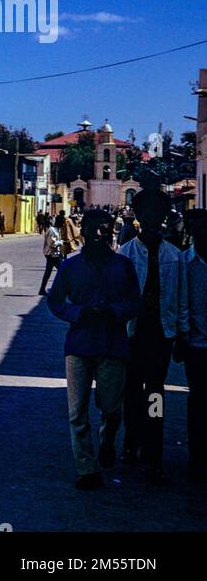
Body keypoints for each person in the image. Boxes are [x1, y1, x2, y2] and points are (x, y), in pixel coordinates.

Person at [46, 209, 142, 490]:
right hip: (79, 344)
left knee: (111, 408)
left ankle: (107, 439)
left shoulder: (123, 266)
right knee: (77, 411)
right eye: (95, 229)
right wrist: (78, 313)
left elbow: (135, 302)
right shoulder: (69, 267)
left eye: (106, 229)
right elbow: (55, 302)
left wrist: (114, 312)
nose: (101, 234)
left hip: (113, 344)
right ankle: (86, 468)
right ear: (83, 232)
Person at [118, 188, 188, 483]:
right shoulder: (125, 254)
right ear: (138, 218)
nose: (150, 221)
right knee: (132, 391)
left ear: (162, 219)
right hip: (133, 333)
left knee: (155, 392)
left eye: (156, 216)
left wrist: (180, 336)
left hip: (162, 334)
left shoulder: (176, 257)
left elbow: (181, 299)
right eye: (145, 216)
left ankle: (153, 454)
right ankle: (130, 443)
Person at [182, 209, 207, 482]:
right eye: (196, 229)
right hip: (197, 346)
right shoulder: (183, 264)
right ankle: (196, 456)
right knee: (198, 401)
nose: (201, 234)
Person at [39, 215, 64, 295]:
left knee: (48, 272)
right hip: (51, 254)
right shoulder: (52, 230)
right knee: (62, 271)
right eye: (62, 223)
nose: (63, 224)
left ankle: (42, 289)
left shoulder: (57, 230)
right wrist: (61, 242)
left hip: (54, 254)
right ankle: (59, 290)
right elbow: (52, 244)